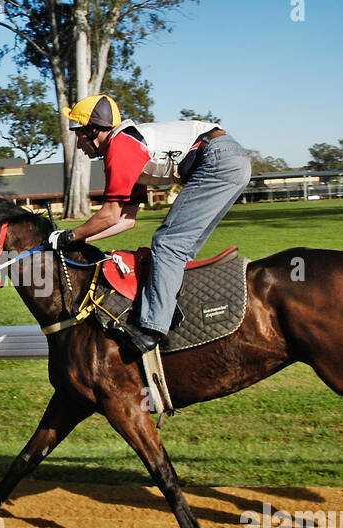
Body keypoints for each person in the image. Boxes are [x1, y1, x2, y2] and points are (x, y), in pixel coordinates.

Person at [49, 93, 252, 352]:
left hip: (218, 158)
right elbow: (125, 220)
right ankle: (170, 309)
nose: (79, 146)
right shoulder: (124, 145)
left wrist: (71, 235)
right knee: (179, 248)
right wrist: (81, 239)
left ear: (94, 131)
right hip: (227, 157)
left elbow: (110, 214)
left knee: (168, 243)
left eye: (79, 136)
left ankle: (152, 329)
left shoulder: (120, 146)